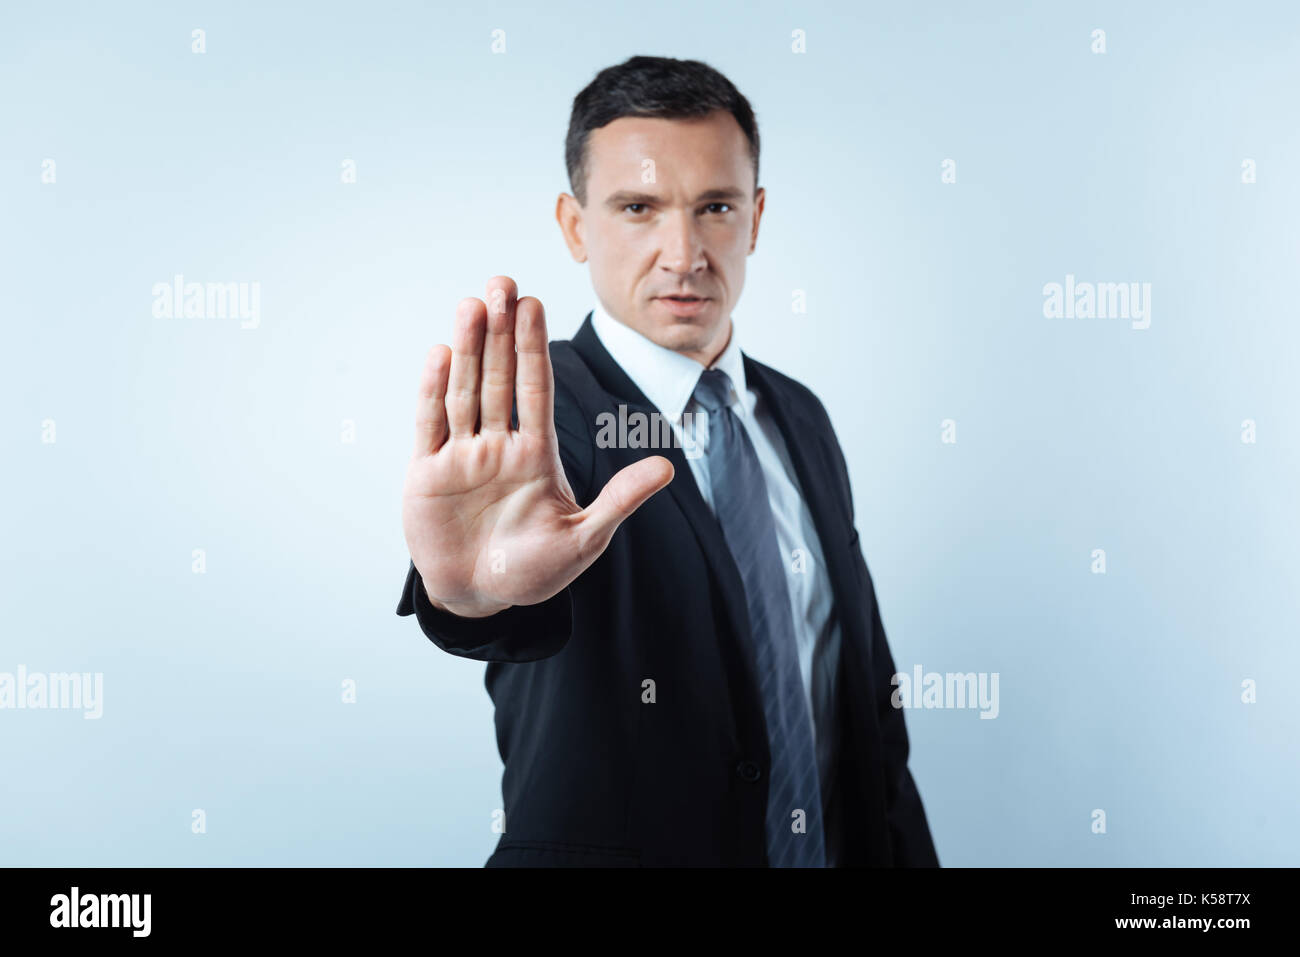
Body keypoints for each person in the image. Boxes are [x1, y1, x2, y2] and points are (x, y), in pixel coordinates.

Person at [397, 55, 939, 867]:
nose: (683, 253)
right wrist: (470, 595)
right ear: (575, 226)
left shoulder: (801, 417)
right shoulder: (532, 430)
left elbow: (868, 710)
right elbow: (496, 601)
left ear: (755, 218)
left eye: (715, 206)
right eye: (638, 208)